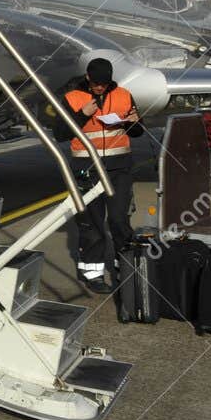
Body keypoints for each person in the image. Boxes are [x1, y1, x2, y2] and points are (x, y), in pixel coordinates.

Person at [51, 57, 142, 293]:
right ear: (88, 78)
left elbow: (138, 131)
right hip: (87, 168)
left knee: (119, 220)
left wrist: (135, 122)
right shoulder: (72, 98)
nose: (100, 87)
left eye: (104, 83)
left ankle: (125, 267)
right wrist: (82, 114)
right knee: (92, 224)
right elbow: (60, 134)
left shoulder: (124, 95)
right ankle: (93, 274)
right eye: (97, 83)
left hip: (118, 167)